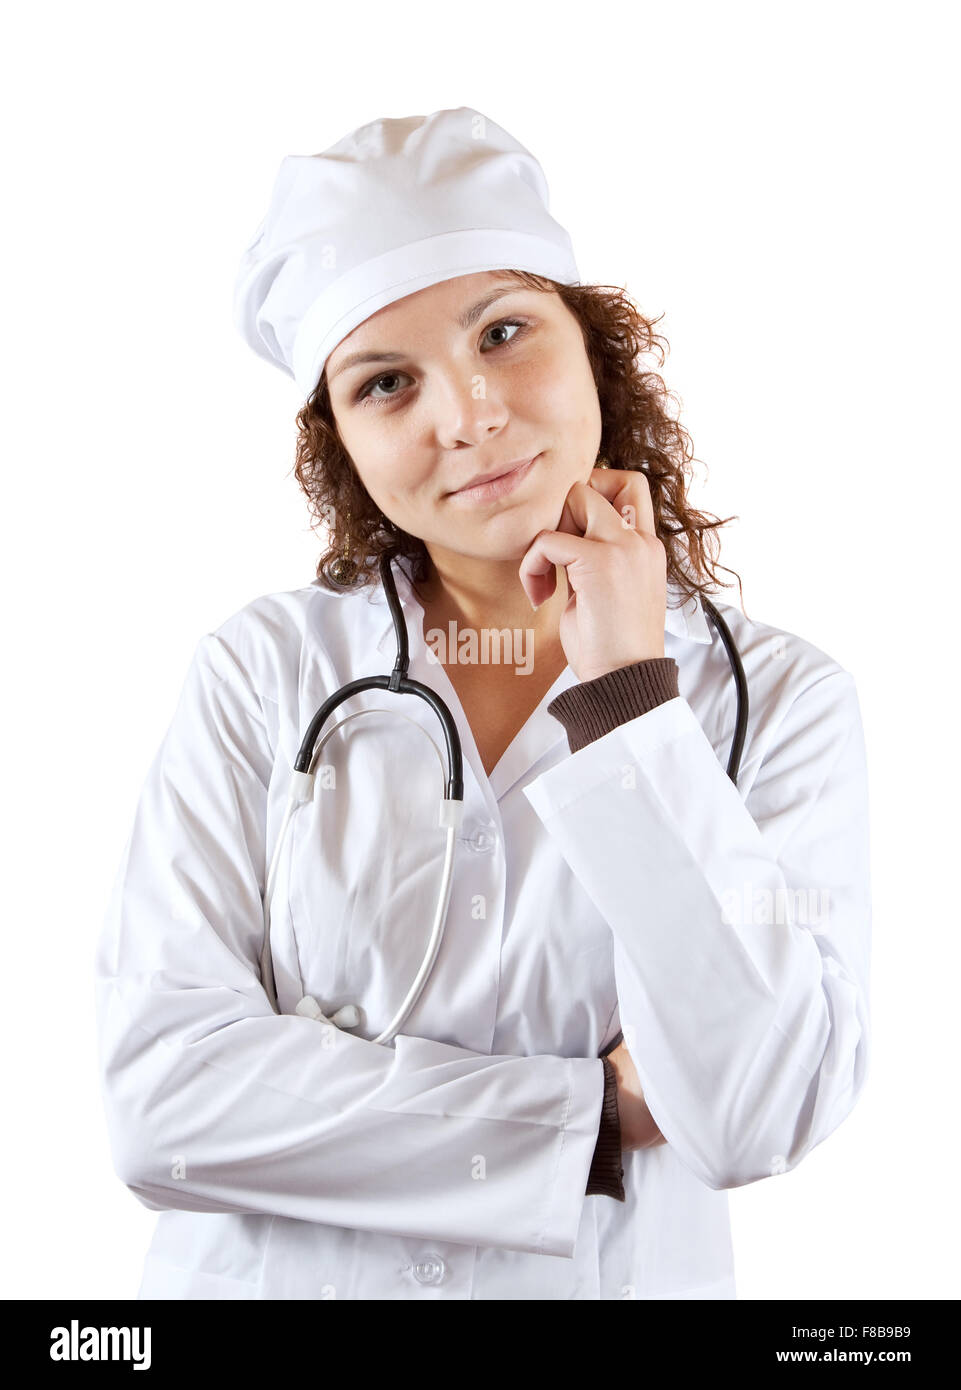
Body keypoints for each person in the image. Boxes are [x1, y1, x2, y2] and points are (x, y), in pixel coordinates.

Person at [93, 106, 872, 1300]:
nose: (465, 416)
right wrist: (590, 1117)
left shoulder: (777, 700)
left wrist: (626, 700)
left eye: (502, 332)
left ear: (595, 346)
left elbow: (753, 1112)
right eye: (386, 383)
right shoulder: (259, 676)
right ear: (339, 440)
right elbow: (165, 1105)